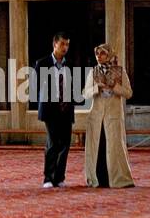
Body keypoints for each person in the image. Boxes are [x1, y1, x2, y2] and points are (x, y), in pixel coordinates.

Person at [82, 44, 135, 188]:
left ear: (109, 55)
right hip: (97, 117)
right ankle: (98, 179)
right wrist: (95, 88)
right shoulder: (93, 72)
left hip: (114, 117)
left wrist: (114, 87)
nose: (99, 56)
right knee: (97, 147)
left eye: (102, 53)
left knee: (114, 147)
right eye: (97, 54)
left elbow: (128, 93)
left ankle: (118, 179)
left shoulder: (119, 71)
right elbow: (84, 93)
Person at [33, 33, 77, 188]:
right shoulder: (42, 63)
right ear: (55, 44)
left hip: (66, 109)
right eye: (62, 44)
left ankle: (59, 178)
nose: (65, 48)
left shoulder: (71, 64)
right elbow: (35, 87)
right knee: (53, 143)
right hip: (50, 110)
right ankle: (48, 178)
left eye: (67, 45)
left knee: (65, 143)